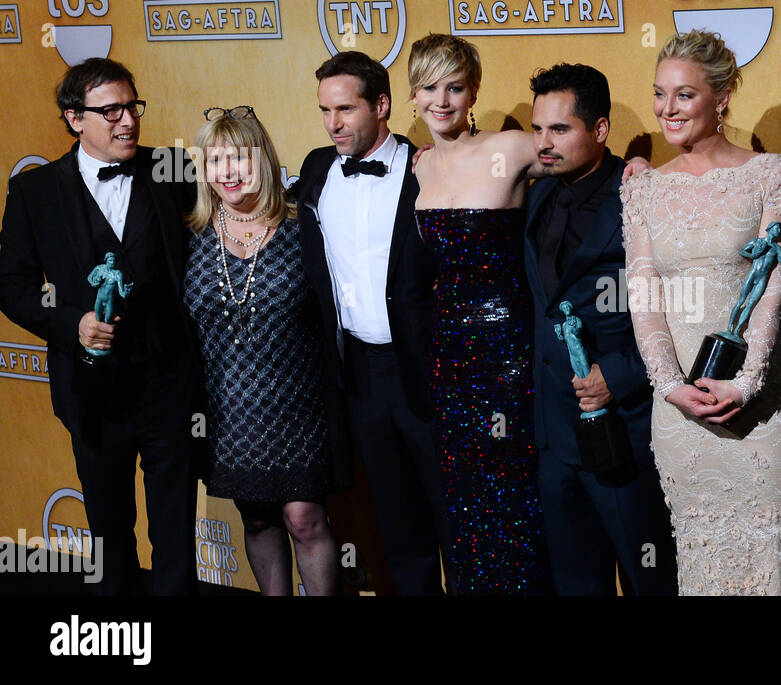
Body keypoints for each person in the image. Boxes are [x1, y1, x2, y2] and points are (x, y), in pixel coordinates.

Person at [622, 30, 781, 595]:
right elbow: (644, 295)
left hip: (761, 410)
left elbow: (773, 284)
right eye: (659, 95)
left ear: (722, 97)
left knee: (774, 554)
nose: (667, 109)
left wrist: (748, 384)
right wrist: (669, 386)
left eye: (683, 95)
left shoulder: (770, 173)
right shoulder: (642, 189)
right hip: (680, 414)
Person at [0, 58, 200, 595]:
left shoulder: (173, 170)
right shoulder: (33, 193)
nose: (127, 121)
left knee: (176, 531)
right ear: (74, 119)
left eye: (131, 107)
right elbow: (12, 286)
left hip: (168, 383)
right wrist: (72, 324)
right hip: (89, 390)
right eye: (109, 111)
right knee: (109, 535)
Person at [295, 51, 448, 595]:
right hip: (357, 374)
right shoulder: (315, 171)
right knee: (396, 524)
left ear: (381, 105)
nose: (333, 123)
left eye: (345, 109)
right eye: (324, 110)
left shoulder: (427, 167)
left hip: (426, 372)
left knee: (458, 517)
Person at [524, 63, 677, 595]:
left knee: (649, 578)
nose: (544, 142)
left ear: (601, 129)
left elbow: (682, 309)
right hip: (554, 436)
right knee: (575, 583)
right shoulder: (536, 193)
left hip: (627, 427)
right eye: (537, 128)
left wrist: (621, 374)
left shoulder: (642, 195)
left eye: (560, 129)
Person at [183, 107, 348, 595]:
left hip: (299, 405)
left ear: (264, 159)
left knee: (304, 518)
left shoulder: (302, 226)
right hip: (227, 410)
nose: (228, 172)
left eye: (239, 158)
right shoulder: (189, 234)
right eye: (216, 161)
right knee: (255, 520)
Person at [407, 33, 551, 594]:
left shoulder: (511, 147)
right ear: (412, 94)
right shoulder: (417, 169)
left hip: (509, 352)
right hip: (447, 356)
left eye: (455, 87)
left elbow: (581, 160)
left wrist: (635, 164)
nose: (441, 101)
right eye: (429, 88)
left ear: (473, 93)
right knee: (463, 495)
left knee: (513, 490)